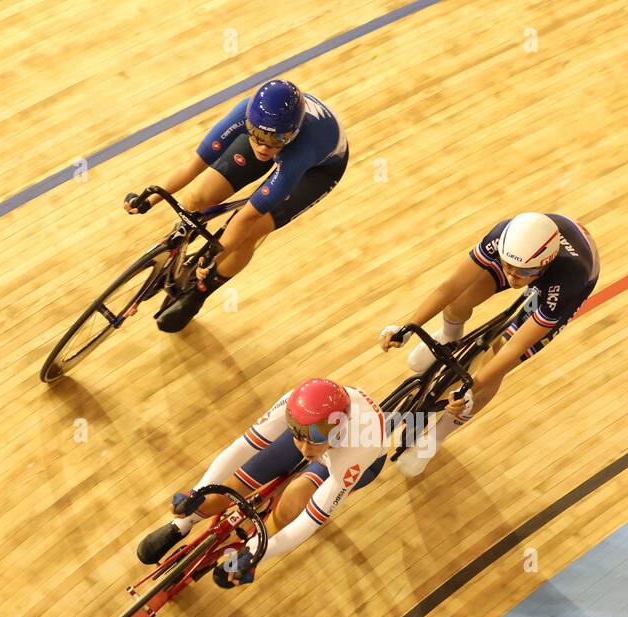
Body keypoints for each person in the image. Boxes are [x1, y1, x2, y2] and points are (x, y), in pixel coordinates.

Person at [379, 211, 600, 475]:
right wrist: (408, 327)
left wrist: (472, 389)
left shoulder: (569, 279)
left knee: (497, 353)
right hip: (533, 249)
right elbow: (448, 287)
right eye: (507, 267)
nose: (512, 277)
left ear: (544, 264)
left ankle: (433, 440)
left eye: (522, 273)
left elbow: (515, 348)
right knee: (458, 301)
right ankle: (449, 336)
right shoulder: (502, 237)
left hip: (568, 281)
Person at [126, 79, 349, 331]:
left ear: (293, 132)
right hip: (284, 140)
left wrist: (213, 257)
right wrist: (150, 198)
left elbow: (247, 218)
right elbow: (192, 167)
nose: (265, 147)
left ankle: (200, 291)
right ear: (249, 123)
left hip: (317, 171)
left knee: (245, 232)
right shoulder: (244, 115)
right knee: (196, 198)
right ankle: (174, 259)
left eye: (276, 139)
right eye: (259, 136)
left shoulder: (303, 149)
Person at [137, 378, 386, 586]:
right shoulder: (299, 409)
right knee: (230, 487)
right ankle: (183, 523)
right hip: (325, 436)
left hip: (351, 457)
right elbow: (241, 448)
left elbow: (311, 520)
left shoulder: (360, 449)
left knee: (294, 499)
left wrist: (256, 553)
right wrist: (196, 493)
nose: (304, 449)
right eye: (299, 437)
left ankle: (259, 541)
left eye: (312, 441)